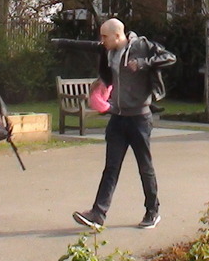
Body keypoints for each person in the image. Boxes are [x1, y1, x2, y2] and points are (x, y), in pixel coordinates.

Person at [69, 18, 176, 229]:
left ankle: (152, 211)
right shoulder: (109, 52)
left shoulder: (142, 46)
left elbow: (170, 57)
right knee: (111, 168)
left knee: (145, 167)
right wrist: (102, 83)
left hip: (139, 118)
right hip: (118, 118)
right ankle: (97, 214)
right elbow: (112, 77)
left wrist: (144, 63)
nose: (102, 40)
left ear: (118, 36)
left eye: (105, 36)